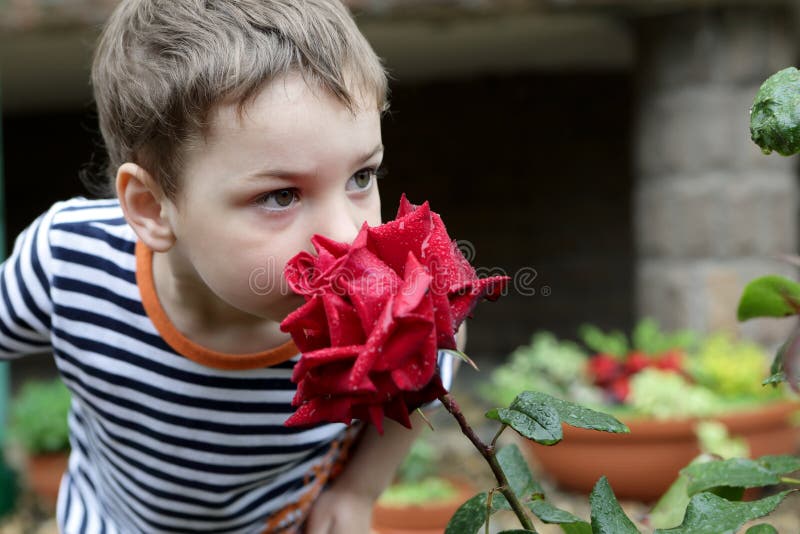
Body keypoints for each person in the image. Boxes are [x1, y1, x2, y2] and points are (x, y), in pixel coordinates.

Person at [0, 1, 460, 532]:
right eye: (281, 195)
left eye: (361, 177)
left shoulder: (376, 304)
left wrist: (359, 492)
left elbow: (444, 344)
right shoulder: (69, 263)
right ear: (152, 208)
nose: (346, 235)